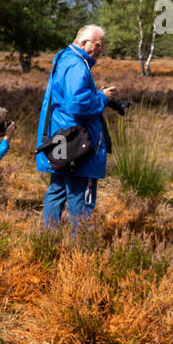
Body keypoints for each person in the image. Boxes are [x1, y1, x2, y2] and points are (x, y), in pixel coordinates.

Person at [35, 24, 116, 229]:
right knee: (81, 196)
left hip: (64, 137)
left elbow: (70, 98)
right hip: (79, 142)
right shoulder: (77, 66)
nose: (101, 49)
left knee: (58, 188)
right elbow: (78, 105)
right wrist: (102, 97)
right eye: (98, 44)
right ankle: (80, 249)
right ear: (83, 43)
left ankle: (48, 241)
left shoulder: (66, 59)